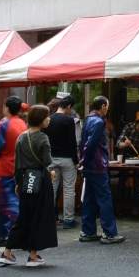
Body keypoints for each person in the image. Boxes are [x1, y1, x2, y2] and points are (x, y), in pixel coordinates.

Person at [0, 105, 58, 267]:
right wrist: (51, 172)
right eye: (47, 116)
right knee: (40, 216)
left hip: (25, 180)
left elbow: (17, 165)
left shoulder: (21, 137)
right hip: (41, 180)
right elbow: (47, 162)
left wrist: (18, 183)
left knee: (23, 216)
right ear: (40, 119)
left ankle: (7, 252)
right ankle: (32, 255)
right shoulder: (43, 138)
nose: (49, 119)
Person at [77, 96, 124, 245]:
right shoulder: (98, 122)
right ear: (103, 106)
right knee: (104, 198)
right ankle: (110, 233)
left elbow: (83, 143)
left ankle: (88, 231)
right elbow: (91, 145)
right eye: (107, 106)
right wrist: (86, 159)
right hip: (97, 165)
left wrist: (83, 160)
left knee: (89, 199)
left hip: (89, 165)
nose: (107, 109)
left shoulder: (88, 119)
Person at [0, 96, 27, 245]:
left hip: (4, 166)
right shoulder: (22, 124)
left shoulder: (4, 124)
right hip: (18, 166)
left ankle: (10, 235)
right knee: (12, 200)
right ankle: (4, 235)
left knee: (7, 202)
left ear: (6, 107)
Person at [46, 95, 79, 229]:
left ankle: (48, 219)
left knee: (51, 190)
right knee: (69, 190)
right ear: (69, 106)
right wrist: (76, 160)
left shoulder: (49, 119)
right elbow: (72, 142)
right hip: (67, 159)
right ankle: (68, 220)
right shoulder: (69, 120)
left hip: (51, 159)